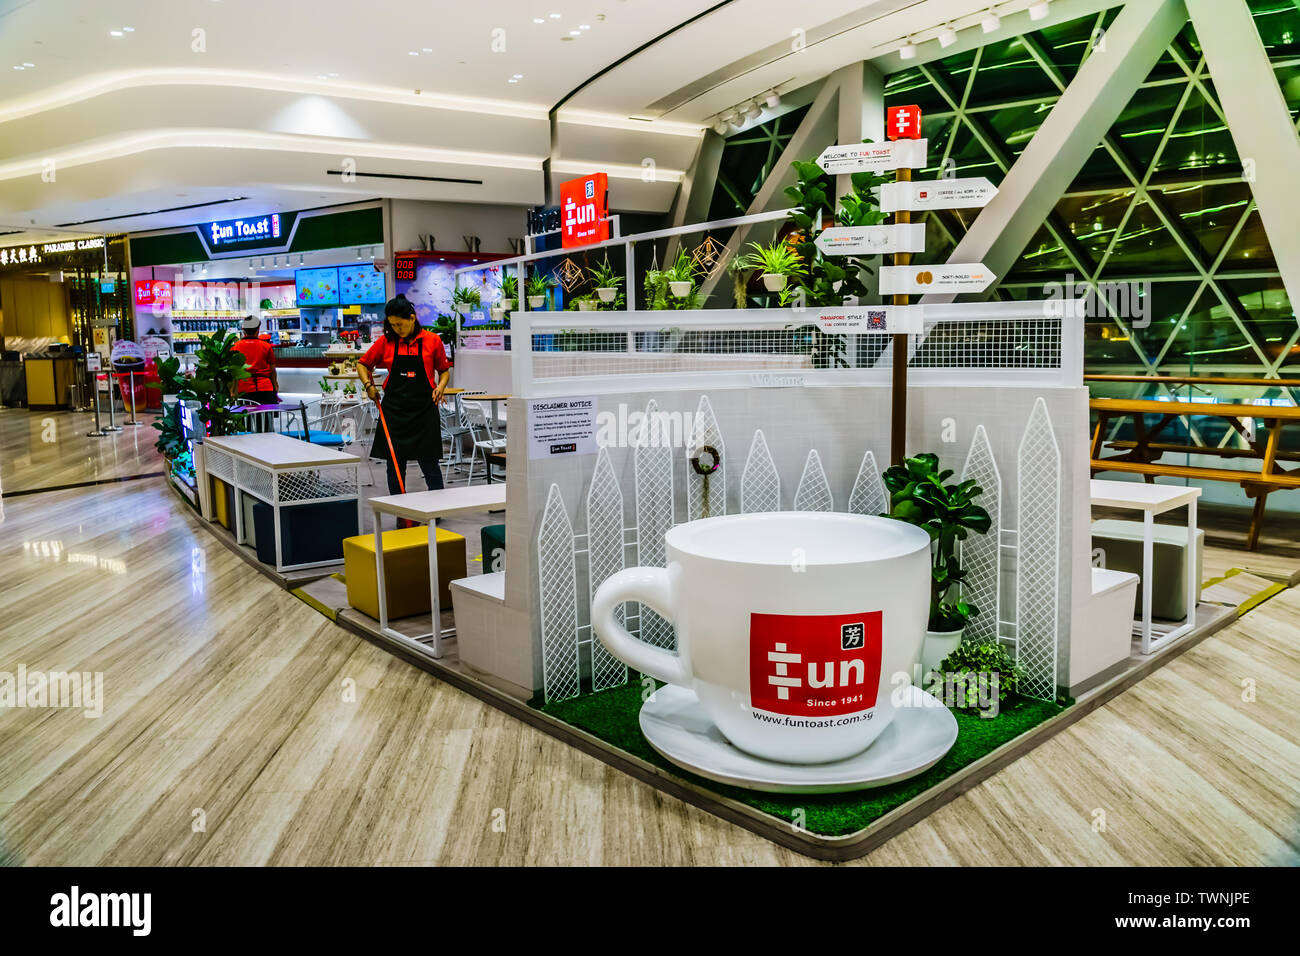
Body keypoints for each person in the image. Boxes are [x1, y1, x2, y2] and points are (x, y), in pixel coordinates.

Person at [358, 293, 452, 495]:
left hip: (424, 410)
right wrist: (368, 385)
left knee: (430, 464)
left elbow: (444, 370)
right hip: (394, 411)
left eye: (400, 324)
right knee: (394, 465)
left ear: (412, 318)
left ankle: (438, 507)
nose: (396, 329)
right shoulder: (386, 342)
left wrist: (441, 386)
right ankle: (400, 507)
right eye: (392, 325)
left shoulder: (432, 341)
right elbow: (362, 364)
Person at [230, 315, 279, 431]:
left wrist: (232, 390)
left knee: (245, 424)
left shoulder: (235, 347)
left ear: (243, 330)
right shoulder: (266, 347)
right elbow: (272, 370)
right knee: (265, 425)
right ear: (258, 330)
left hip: (244, 388)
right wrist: (275, 386)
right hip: (265, 388)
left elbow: (234, 371)